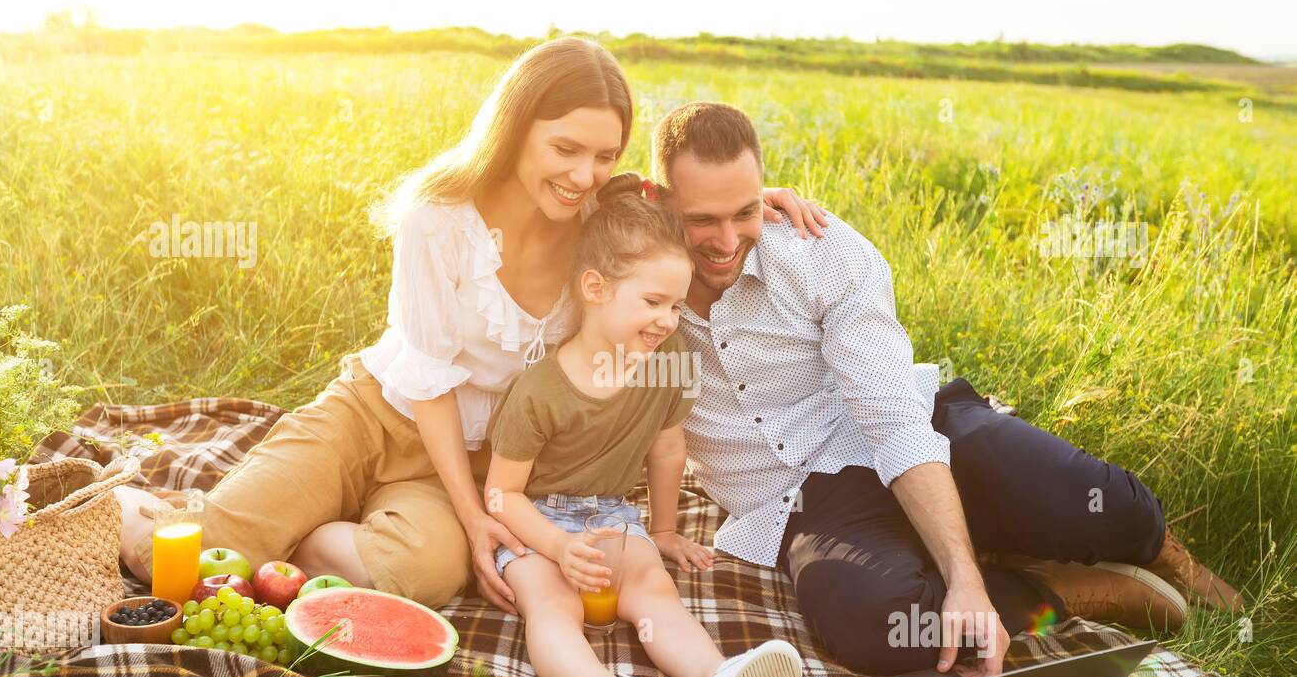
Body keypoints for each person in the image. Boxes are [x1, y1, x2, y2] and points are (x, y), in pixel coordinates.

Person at [116, 38, 826, 613]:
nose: (583, 174)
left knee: (424, 576)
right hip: (375, 418)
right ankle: (152, 508)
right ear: (517, 129)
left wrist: (752, 202)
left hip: (472, 459)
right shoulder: (438, 218)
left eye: (604, 156)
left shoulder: (602, 227)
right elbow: (425, 381)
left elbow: (680, 224)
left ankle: (309, 527)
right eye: (565, 149)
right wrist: (475, 512)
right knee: (175, 560)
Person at [649, 101, 1247, 677]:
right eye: (703, 218)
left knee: (1095, 500)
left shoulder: (821, 251)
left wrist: (963, 578)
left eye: (744, 211)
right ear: (658, 200)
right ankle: (1070, 589)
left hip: (906, 426)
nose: (727, 241)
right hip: (798, 497)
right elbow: (564, 213)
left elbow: (894, 422)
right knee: (878, 625)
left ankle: (1168, 557)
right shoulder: (633, 273)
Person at [483, 175, 804, 677]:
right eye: (653, 302)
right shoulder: (539, 391)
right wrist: (559, 547)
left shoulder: (669, 357)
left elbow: (667, 444)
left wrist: (661, 529)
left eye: (677, 305)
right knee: (552, 603)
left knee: (653, 589)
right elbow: (501, 494)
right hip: (537, 524)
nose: (667, 320)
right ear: (595, 287)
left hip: (611, 515)